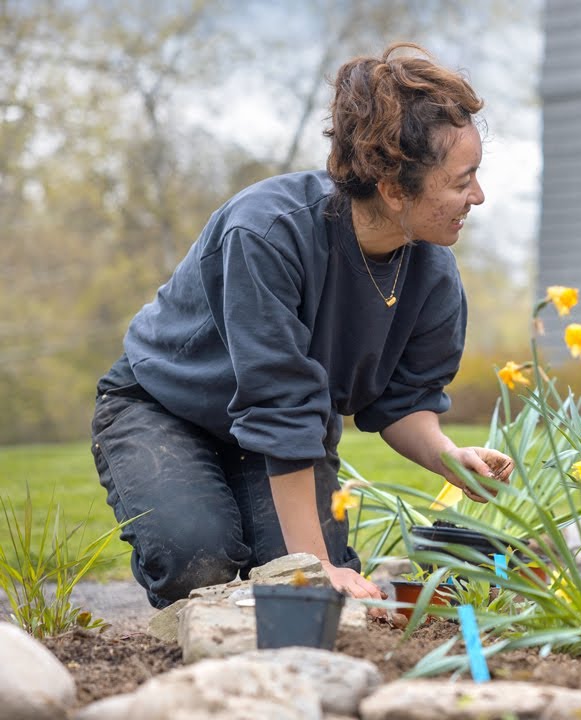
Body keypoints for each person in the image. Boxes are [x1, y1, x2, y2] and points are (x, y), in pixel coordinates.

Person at [90, 42, 514, 610]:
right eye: (463, 180)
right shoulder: (267, 232)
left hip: (281, 436)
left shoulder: (433, 272)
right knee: (205, 562)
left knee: (316, 598)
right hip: (165, 410)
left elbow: (402, 401)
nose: (478, 197)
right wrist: (314, 568)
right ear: (393, 190)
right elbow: (278, 398)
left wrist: (445, 454)